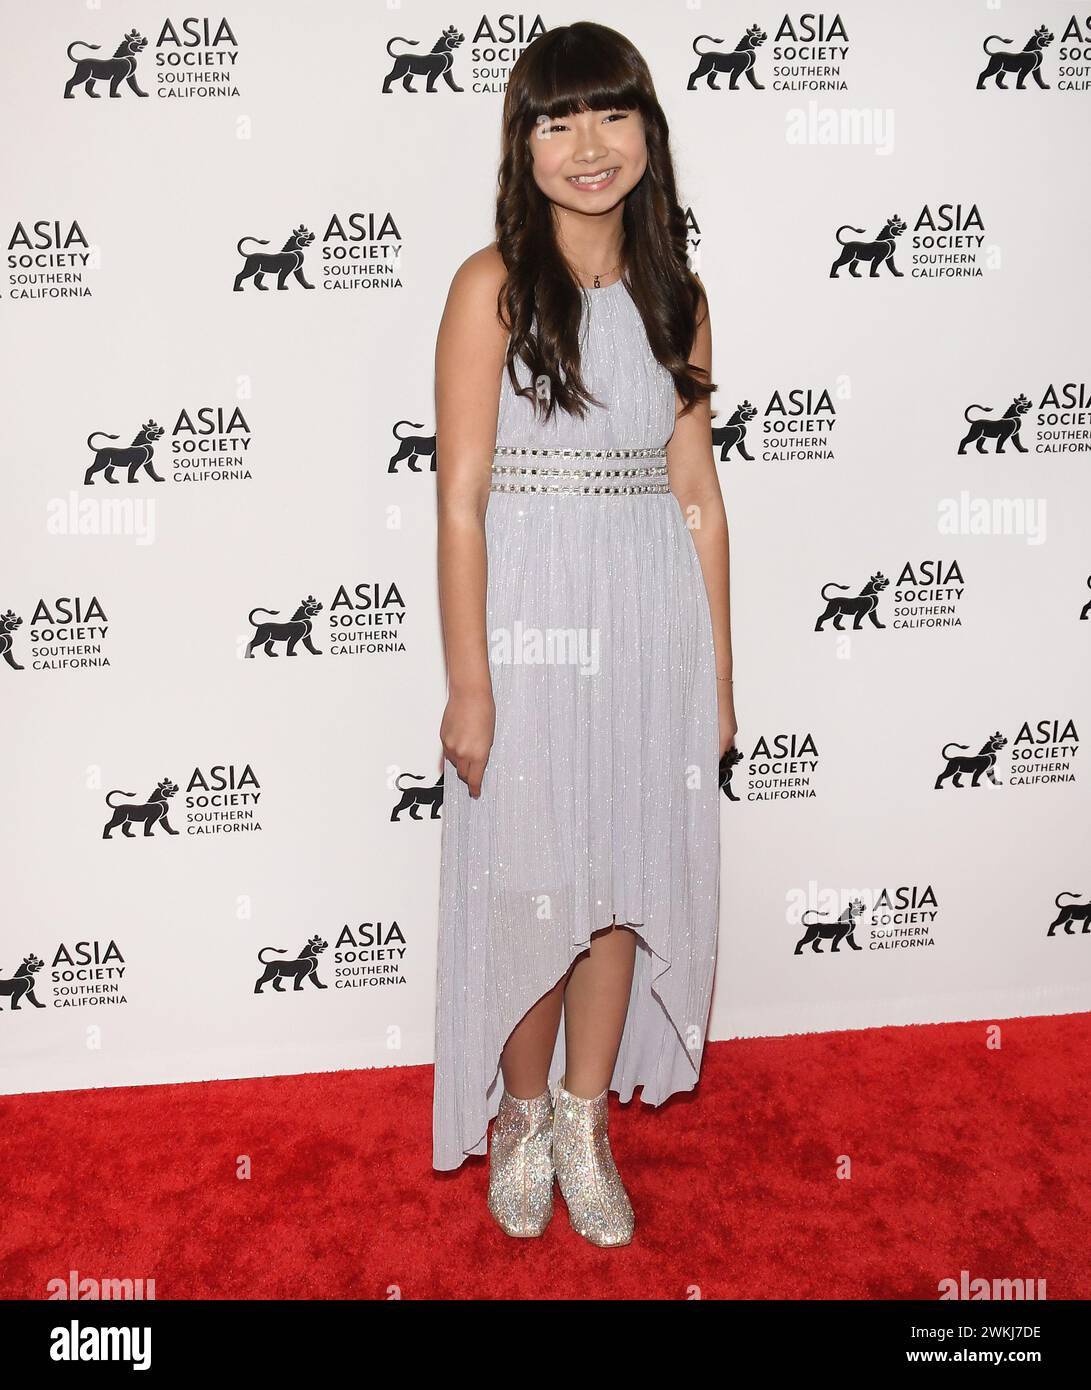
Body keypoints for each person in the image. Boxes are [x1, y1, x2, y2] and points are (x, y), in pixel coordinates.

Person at [431, 21, 735, 1248]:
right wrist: (470, 682)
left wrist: (717, 674)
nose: (587, 144)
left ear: (648, 135)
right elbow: (457, 498)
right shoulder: (489, 288)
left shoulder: (679, 296)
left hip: (650, 615)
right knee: (530, 886)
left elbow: (699, 495)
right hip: (527, 623)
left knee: (617, 886)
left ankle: (584, 1116)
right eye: (556, 119)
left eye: (610, 115)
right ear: (523, 144)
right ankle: (518, 1116)